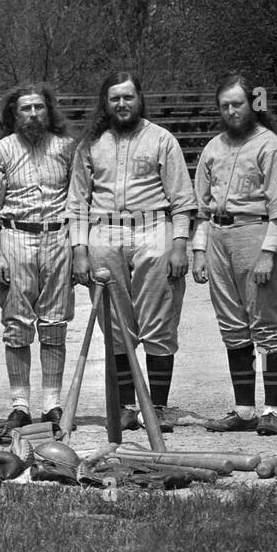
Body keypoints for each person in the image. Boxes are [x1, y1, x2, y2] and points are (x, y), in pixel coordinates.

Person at [69, 71, 195, 430]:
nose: (122, 104)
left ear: (140, 98)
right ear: (105, 103)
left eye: (128, 97)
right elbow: (77, 202)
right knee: (116, 325)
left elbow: (182, 200)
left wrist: (180, 245)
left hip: (153, 230)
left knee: (157, 323)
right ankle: (126, 406)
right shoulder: (90, 143)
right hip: (105, 232)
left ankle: (157, 406)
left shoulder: (161, 139)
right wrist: (79, 250)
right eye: (114, 99)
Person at [194, 75, 277, 435]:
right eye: (224, 105)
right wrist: (198, 249)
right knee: (232, 327)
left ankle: (272, 408)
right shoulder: (213, 148)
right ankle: (244, 410)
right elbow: (203, 207)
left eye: (237, 103)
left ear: (251, 104)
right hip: (219, 236)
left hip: (257, 232)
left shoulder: (269, 145)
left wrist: (269, 252)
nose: (231, 111)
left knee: (266, 326)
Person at [0, 84, 78, 432]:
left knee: (54, 323)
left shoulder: (66, 148)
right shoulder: (0, 151)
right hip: (15, 236)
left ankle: (52, 402)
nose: (33, 114)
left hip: (57, 236)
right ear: (14, 113)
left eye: (39, 107)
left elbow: (79, 200)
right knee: (17, 323)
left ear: (48, 110)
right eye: (26, 108)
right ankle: (20, 403)